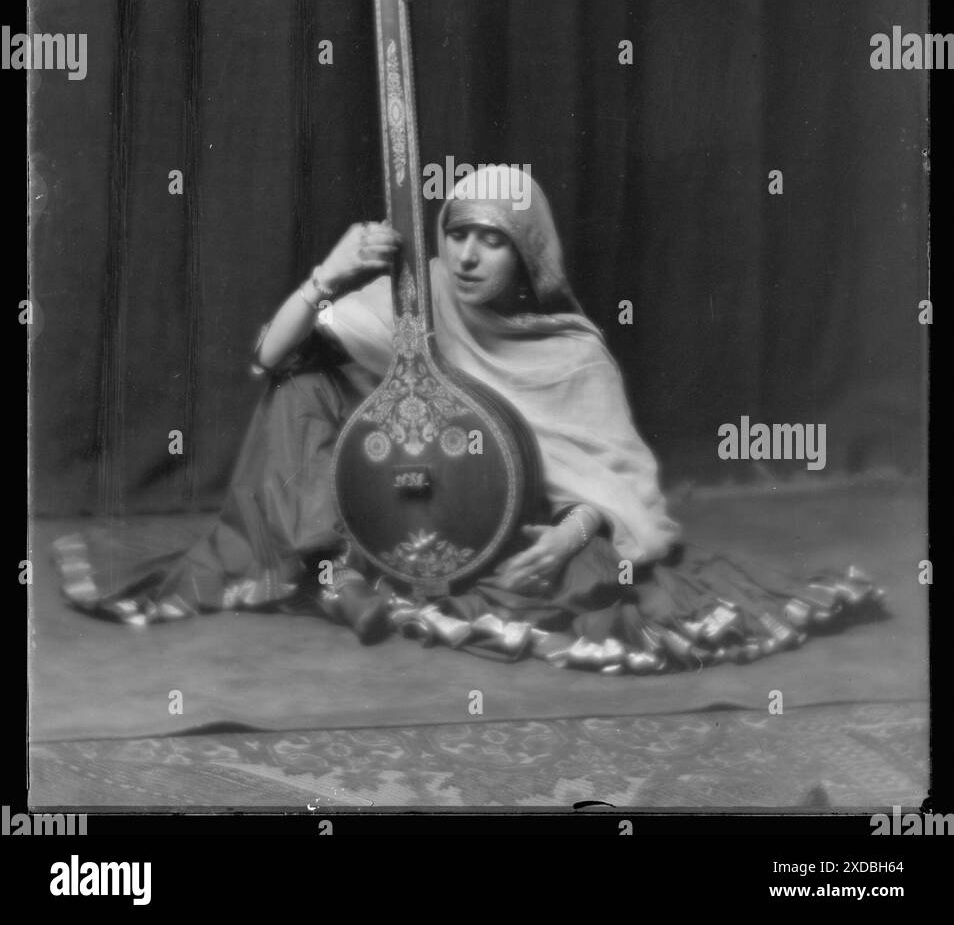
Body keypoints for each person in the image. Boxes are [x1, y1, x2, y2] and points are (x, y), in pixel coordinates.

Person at [55, 167, 885, 673]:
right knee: (306, 386)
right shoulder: (422, 303)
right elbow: (271, 356)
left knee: (584, 576)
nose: (468, 256)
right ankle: (336, 564)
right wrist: (329, 275)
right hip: (393, 491)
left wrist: (571, 532)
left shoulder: (573, 354)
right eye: (456, 234)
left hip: (489, 505)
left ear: (528, 254)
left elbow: (616, 484)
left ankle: (359, 570)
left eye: (493, 239)